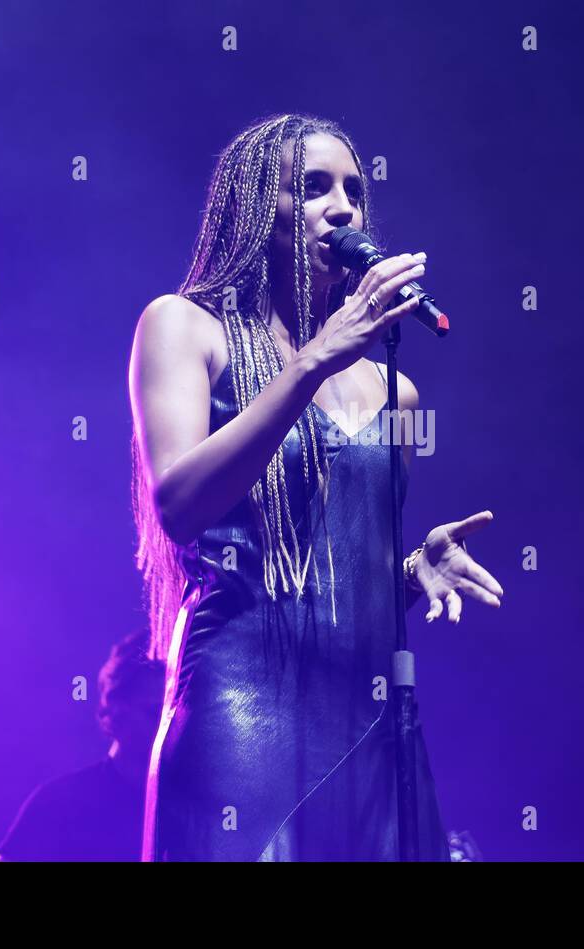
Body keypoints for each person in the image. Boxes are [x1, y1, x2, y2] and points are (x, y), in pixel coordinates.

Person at [128, 112, 505, 861]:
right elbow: (179, 504)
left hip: (367, 709)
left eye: (355, 193)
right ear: (249, 206)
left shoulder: (393, 393)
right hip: (244, 698)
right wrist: (312, 363)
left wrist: (405, 576)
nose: (343, 208)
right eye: (312, 188)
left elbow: (323, 567)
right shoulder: (183, 326)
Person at [0, 628, 164, 862]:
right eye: (154, 713)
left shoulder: (196, 810)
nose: (167, 727)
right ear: (115, 708)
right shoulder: (59, 802)